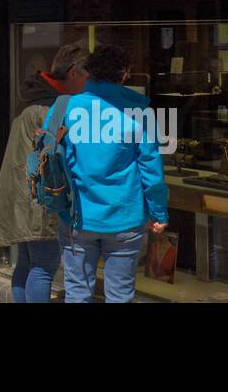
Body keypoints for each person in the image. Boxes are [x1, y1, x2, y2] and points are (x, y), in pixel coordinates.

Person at [54, 43, 168, 304]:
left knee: (77, 292)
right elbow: (152, 172)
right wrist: (158, 213)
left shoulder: (64, 108)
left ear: (90, 72)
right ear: (124, 73)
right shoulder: (138, 112)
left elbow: (49, 157)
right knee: (120, 294)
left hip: (76, 216)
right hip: (124, 218)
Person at [0, 41, 89, 302]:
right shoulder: (53, 108)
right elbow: (61, 156)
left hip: (21, 196)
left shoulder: (34, 100)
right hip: (40, 200)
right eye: (88, 76)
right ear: (74, 73)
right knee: (43, 267)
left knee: (27, 263)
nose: (89, 84)